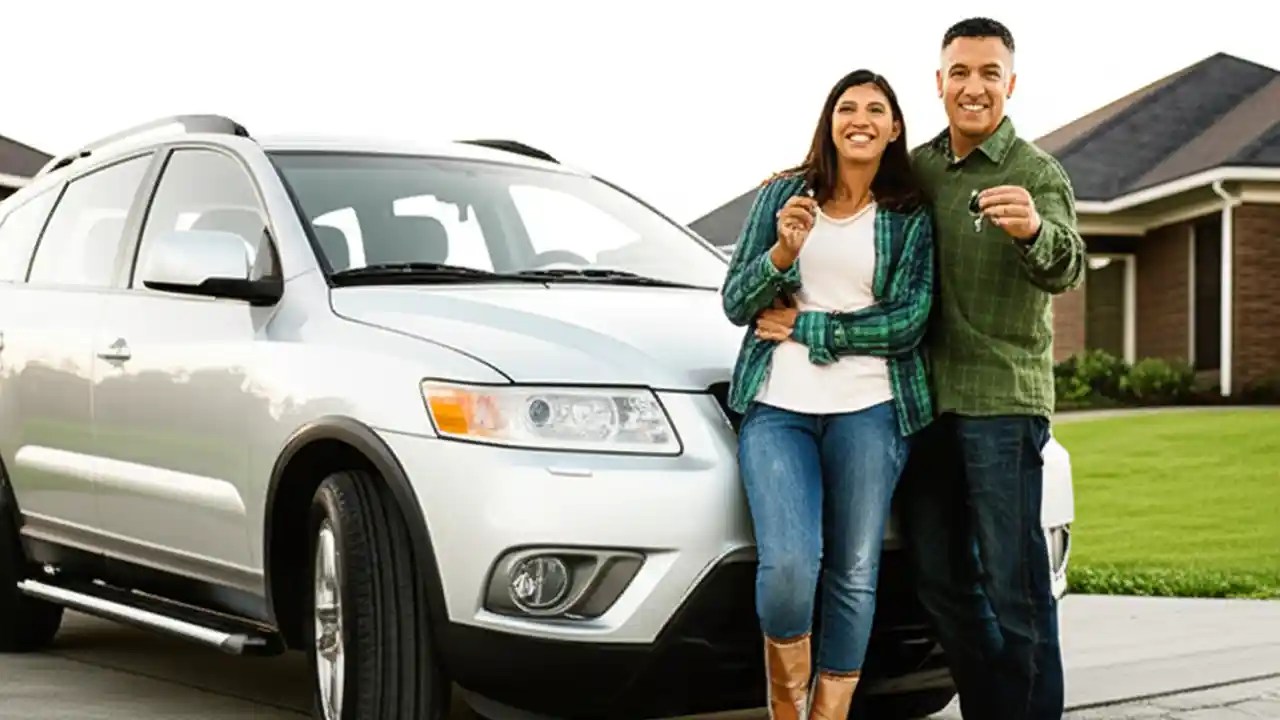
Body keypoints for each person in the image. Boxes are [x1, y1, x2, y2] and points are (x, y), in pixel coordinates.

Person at [720, 69, 936, 720]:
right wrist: (782, 255)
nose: (860, 118)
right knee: (788, 570)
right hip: (778, 406)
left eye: (876, 108)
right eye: (847, 107)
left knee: (854, 573)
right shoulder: (784, 196)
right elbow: (735, 302)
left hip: (872, 410)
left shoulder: (908, 217)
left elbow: (907, 322)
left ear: (895, 128)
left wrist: (808, 324)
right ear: (831, 121)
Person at [900, 17, 1086, 720]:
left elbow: (1068, 265)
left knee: (1015, 585)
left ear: (1010, 83)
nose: (973, 87)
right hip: (926, 406)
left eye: (988, 74)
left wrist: (1035, 230)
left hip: (1003, 406)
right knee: (942, 581)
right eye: (960, 72)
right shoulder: (916, 171)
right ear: (940, 82)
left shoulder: (1036, 174)